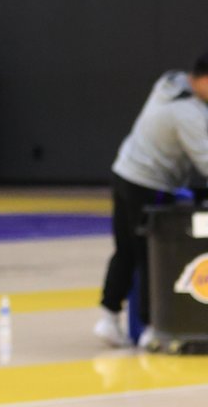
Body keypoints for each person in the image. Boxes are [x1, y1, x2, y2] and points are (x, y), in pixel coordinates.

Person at [94, 53, 208, 348]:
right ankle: (150, 328)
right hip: (148, 184)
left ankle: (108, 316)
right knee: (150, 255)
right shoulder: (189, 114)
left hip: (123, 173)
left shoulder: (170, 83)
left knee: (126, 249)